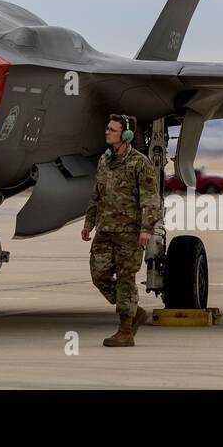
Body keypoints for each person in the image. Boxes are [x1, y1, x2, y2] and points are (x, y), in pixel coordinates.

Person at [81, 113, 160, 347]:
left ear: (126, 135)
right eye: (107, 128)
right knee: (99, 275)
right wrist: (88, 223)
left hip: (130, 232)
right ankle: (134, 312)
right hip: (105, 230)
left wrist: (146, 229)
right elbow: (96, 195)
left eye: (112, 129)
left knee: (126, 279)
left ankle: (125, 330)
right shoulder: (104, 161)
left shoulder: (139, 163)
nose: (107, 132)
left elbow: (150, 199)